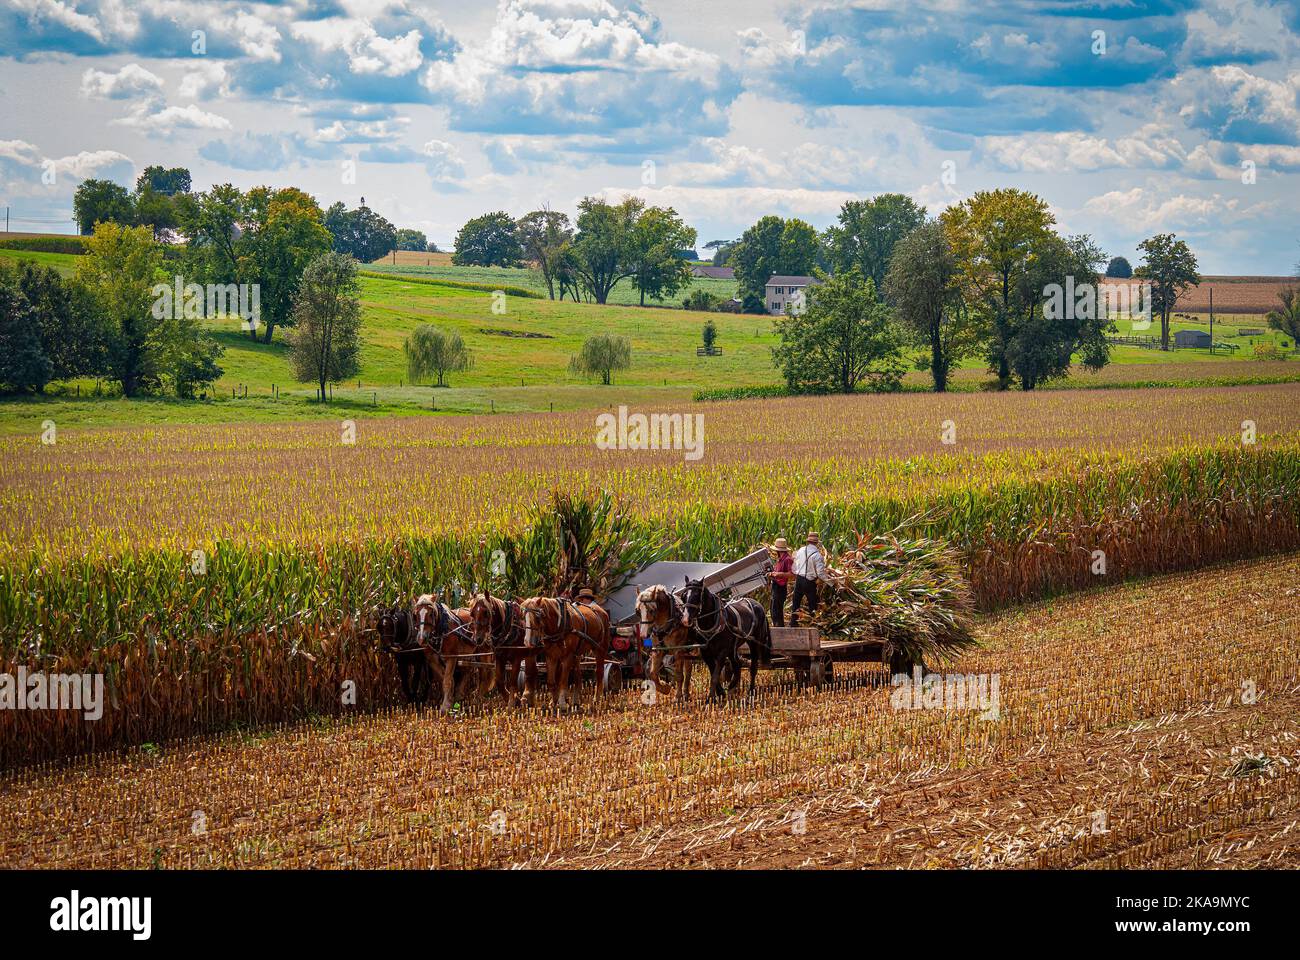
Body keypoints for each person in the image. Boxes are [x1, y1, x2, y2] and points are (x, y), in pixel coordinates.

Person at [790, 532, 828, 626]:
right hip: (809, 582)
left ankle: (793, 624)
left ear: (808, 541)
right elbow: (820, 573)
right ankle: (813, 625)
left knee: (796, 603)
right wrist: (831, 582)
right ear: (816, 543)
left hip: (799, 579)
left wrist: (798, 573)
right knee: (812, 604)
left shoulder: (800, 550)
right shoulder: (818, 555)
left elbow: (794, 566)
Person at [768, 537, 793, 627]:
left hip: (780, 587)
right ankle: (777, 626)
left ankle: (779, 628)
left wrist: (778, 574)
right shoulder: (780, 559)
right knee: (773, 609)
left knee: (777, 610)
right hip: (775, 586)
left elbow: (791, 574)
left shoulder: (787, 559)